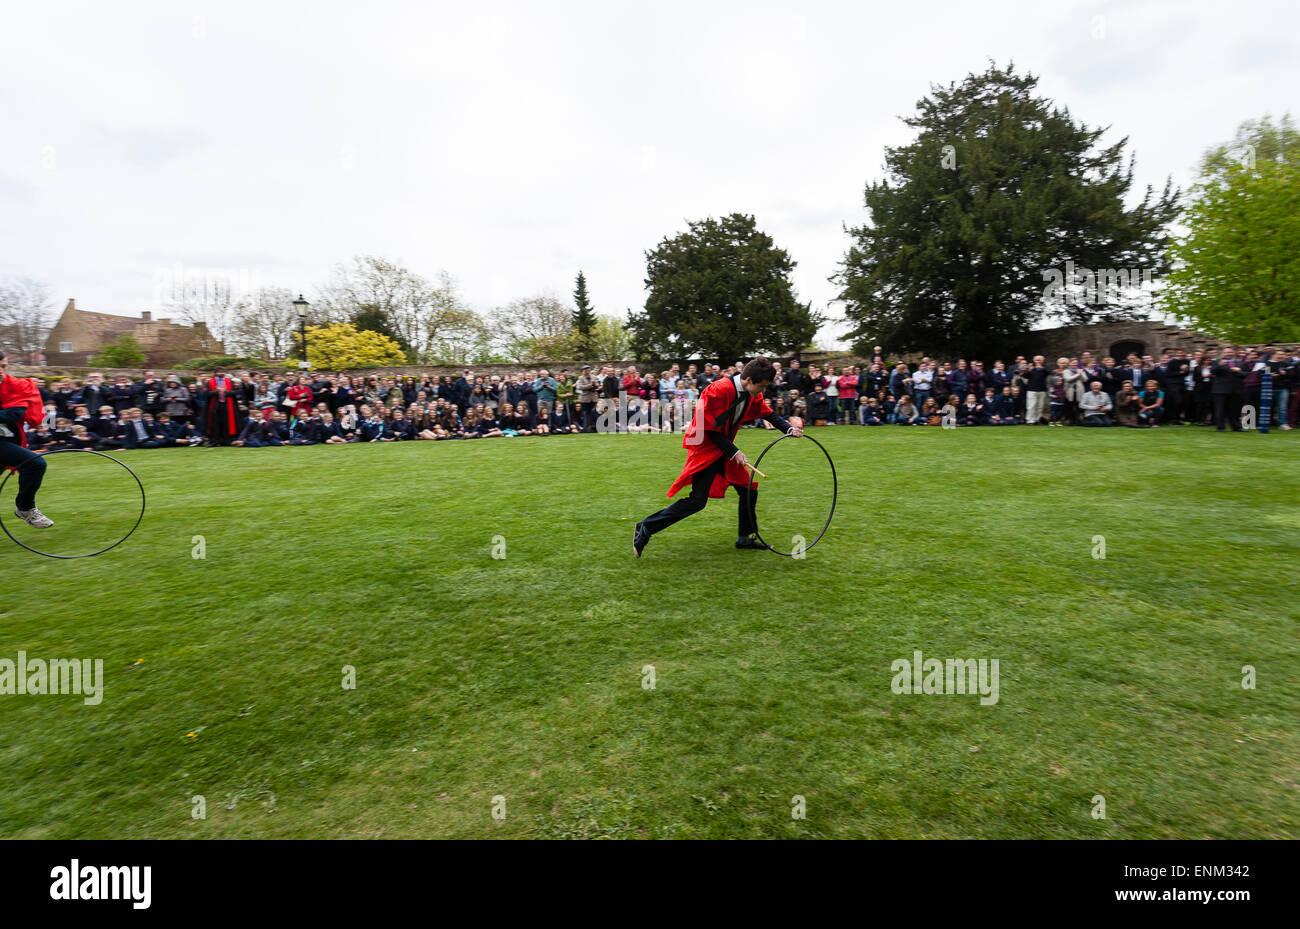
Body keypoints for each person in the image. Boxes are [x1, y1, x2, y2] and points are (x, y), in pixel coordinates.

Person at [633, 357, 802, 557]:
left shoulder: (752, 394)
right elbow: (709, 429)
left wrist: (789, 428)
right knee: (697, 501)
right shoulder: (717, 390)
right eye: (762, 387)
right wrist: (734, 451)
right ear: (748, 380)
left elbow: (768, 414)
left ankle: (744, 538)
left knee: (748, 490)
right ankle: (646, 527)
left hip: (725, 449)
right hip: (705, 448)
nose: (762, 392)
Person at [0, 351, 53, 527]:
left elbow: (13, 414)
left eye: (3, 366)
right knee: (35, 463)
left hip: (5, 441)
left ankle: (25, 507)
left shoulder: (18, 385)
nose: (1, 370)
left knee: (35, 463)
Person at [203, 366, 239, 446]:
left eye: (222, 372)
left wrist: (226, 392)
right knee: (215, 424)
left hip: (227, 405)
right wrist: (217, 391)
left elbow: (234, 392)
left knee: (226, 423)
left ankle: (226, 441)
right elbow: (207, 394)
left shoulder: (229, 381)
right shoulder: (210, 382)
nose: (221, 373)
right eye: (219, 372)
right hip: (215, 405)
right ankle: (215, 441)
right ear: (215, 373)